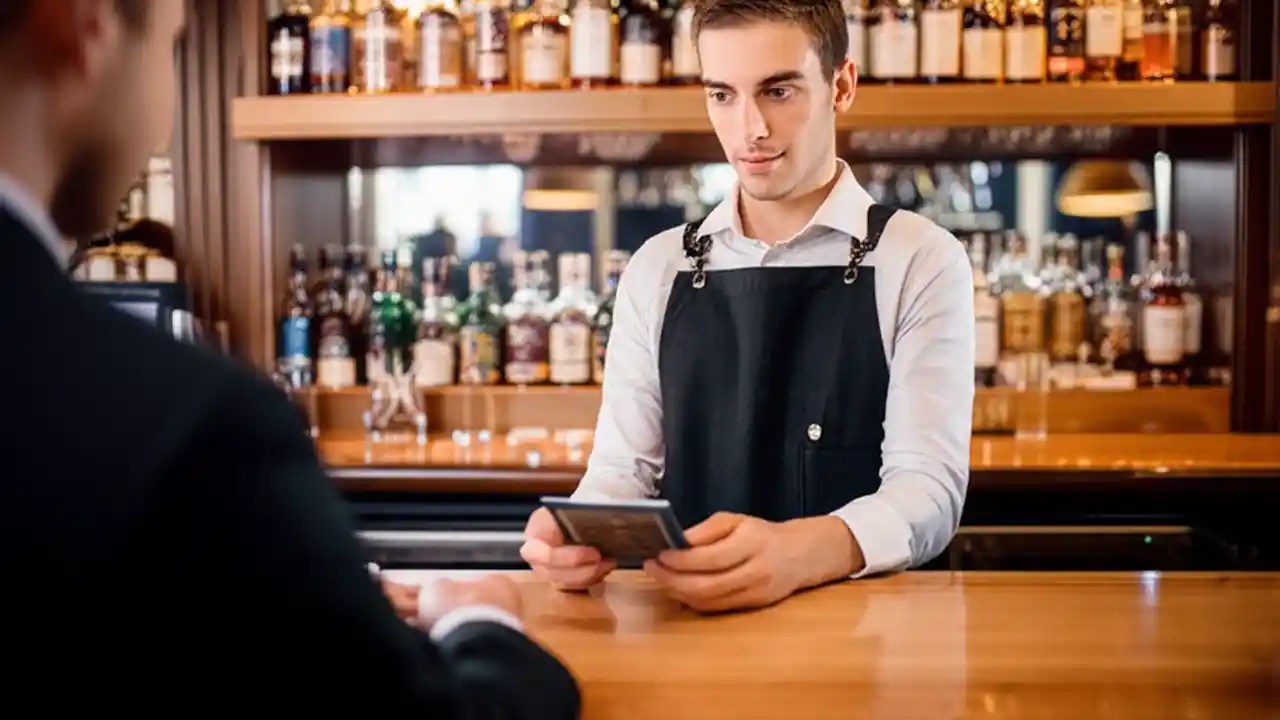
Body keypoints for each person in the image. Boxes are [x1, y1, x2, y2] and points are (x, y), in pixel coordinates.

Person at [0, 1, 577, 715]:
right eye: (173, 48)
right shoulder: (191, 420)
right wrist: (481, 616)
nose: (164, 108)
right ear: (84, 24)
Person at [522, 0, 974, 613]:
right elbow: (621, 469)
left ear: (841, 85)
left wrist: (802, 552)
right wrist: (577, 532)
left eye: (778, 91)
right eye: (722, 95)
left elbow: (929, 492)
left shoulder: (919, 258)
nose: (749, 129)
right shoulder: (659, 267)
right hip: (687, 630)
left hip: (868, 639)